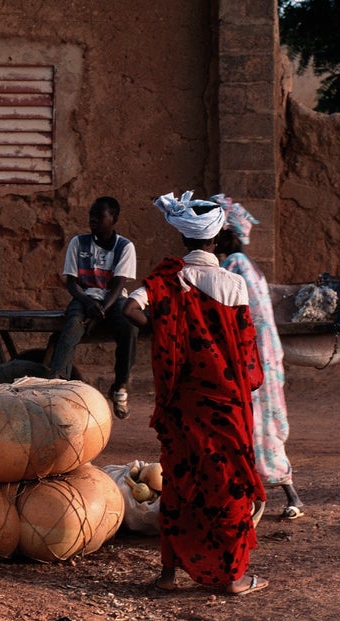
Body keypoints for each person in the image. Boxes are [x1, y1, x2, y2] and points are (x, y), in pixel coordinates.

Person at [122, 191, 268, 596]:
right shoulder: (233, 284)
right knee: (228, 483)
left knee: (180, 482)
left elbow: (130, 310)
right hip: (225, 404)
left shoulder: (166, 280)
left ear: (184, 240)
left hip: (181, 402)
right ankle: (234, 576)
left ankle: (169, 575)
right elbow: (247, 352)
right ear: (217, 238)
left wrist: (164, 328)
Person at [213, 194, 305, 521]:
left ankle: (259, 498)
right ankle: (284, 493)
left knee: (252, 427)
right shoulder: (249, 267)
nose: (215, 239)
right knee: (261, 426)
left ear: (232, 235)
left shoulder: (232, 267)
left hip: (251, 360)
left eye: (220, 232)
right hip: (264, 357)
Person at [48, 196, 138, 418]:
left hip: (113, 300)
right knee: (72, 326)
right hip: (84, 297)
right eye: (91, 215)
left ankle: (120, 385)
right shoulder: (78, 243)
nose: (93, 220)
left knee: (129, 327)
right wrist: (88, 303)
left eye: (99, 216)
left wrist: (101, 312)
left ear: (114, 218)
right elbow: (71, 282)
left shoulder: (125, 247)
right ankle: (57, 381)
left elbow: (118, 286)